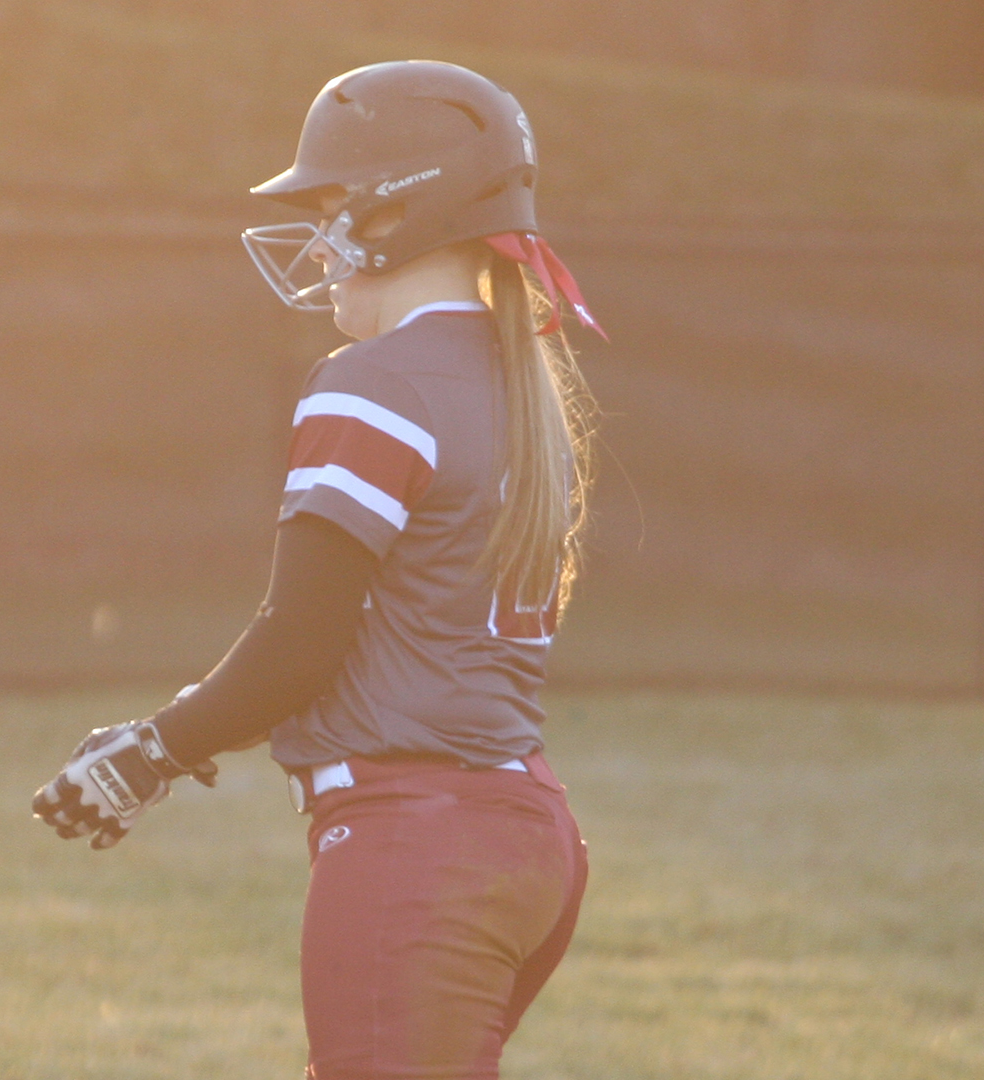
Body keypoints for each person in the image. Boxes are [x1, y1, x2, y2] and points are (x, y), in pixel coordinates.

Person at [34, 60, 605, 1078]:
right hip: (527, 836)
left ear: (404, 207)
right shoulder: (521, 381)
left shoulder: (377, 383)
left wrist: (149, 753)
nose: (322, 233)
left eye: (335, 201)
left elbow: (298, 644)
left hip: (416, 847)